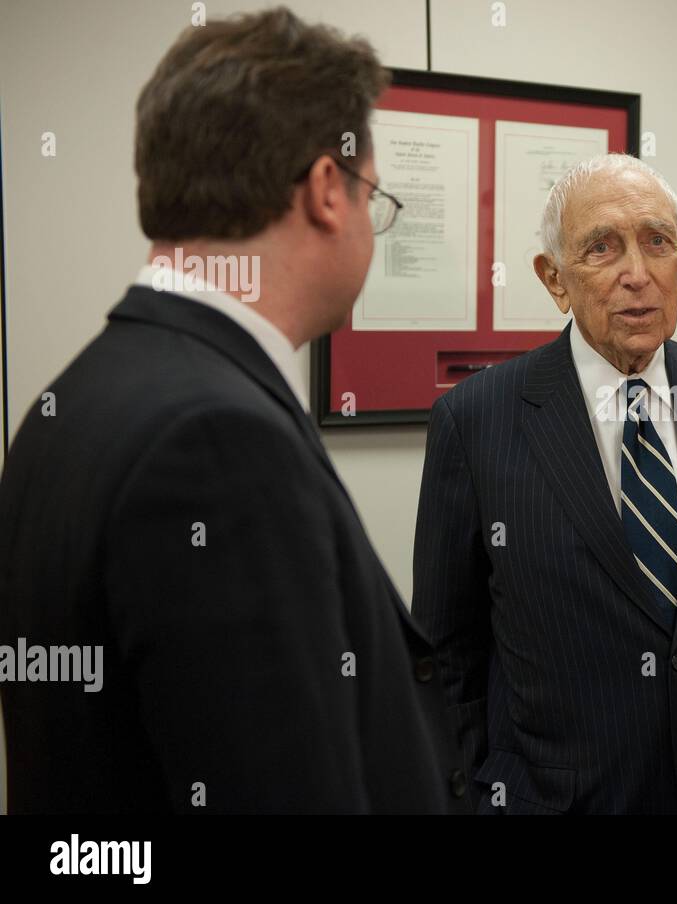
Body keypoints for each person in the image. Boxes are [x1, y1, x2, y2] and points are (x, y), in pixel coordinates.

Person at [0, 7, 467, 814]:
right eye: (373, 196)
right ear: (328, 189)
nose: (370, 220)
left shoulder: (73, 397)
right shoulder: (216, 443)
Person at [413, 153, 677, 814]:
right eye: (601, 248)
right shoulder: (476, 421)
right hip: (565, 797)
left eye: (656, 243)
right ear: (554, 279)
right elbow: (450, 659)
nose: (637, 276)